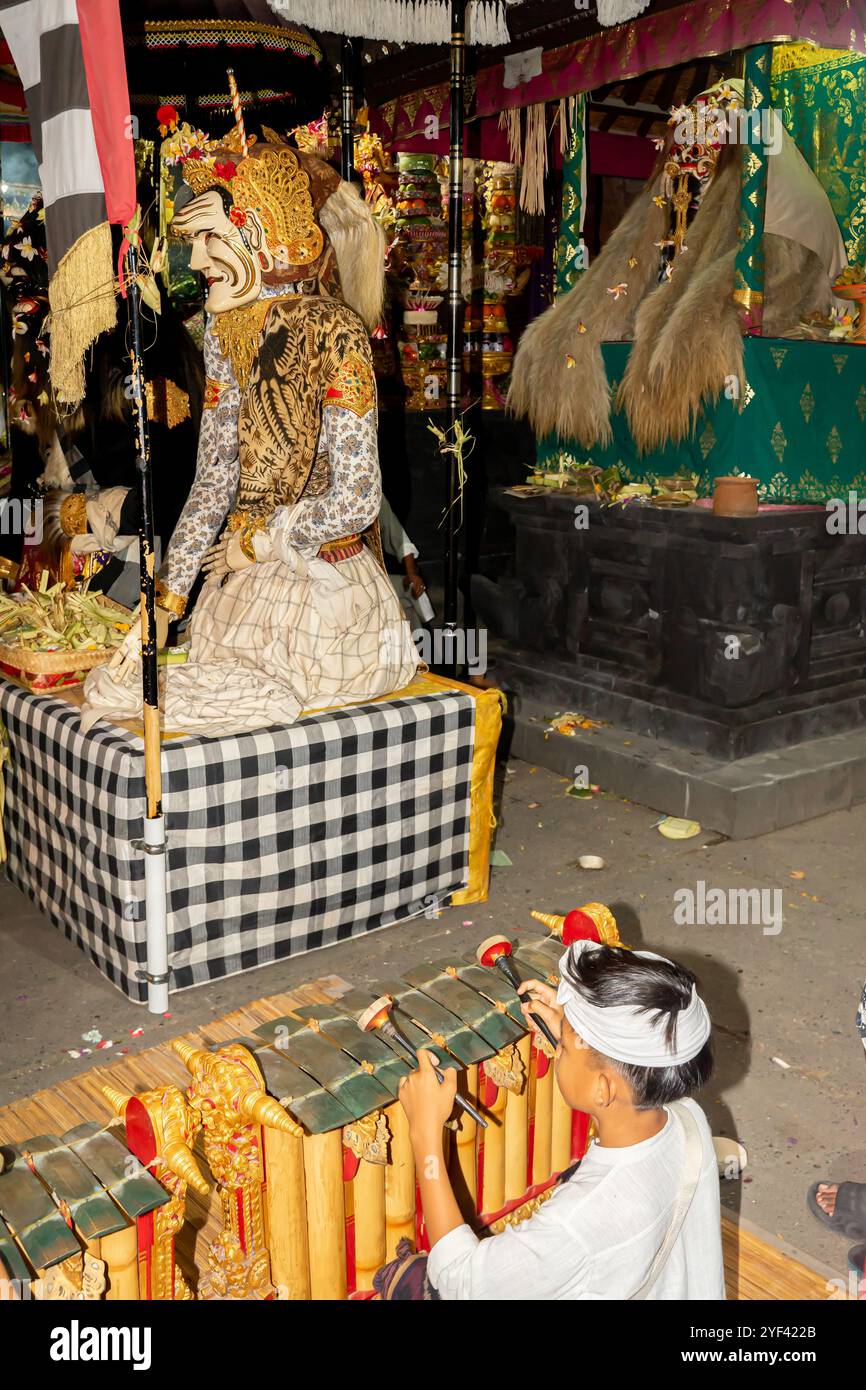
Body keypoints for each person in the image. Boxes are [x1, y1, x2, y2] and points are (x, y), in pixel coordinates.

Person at [84, 125, 418, 734]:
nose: (199, 258)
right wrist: (165, 602)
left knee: (259, 722)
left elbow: (359, 496)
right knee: (136, 692)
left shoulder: (335, 331)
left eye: (213, 235)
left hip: (323, 595)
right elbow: (214, 482)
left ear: (264, 237)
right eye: (197, 240)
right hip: (238, 589)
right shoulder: (223, 333)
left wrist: (266, 541)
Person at [391, 940, 724, 1300]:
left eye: (561, 1046)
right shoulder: (687, 1116)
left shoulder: (577, 1223)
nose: (557, 1047)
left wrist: (425, 1134)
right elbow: (610, 1096)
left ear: (603, 1089)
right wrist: (574, 1031)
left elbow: (458, 1279)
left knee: (405, 1280)